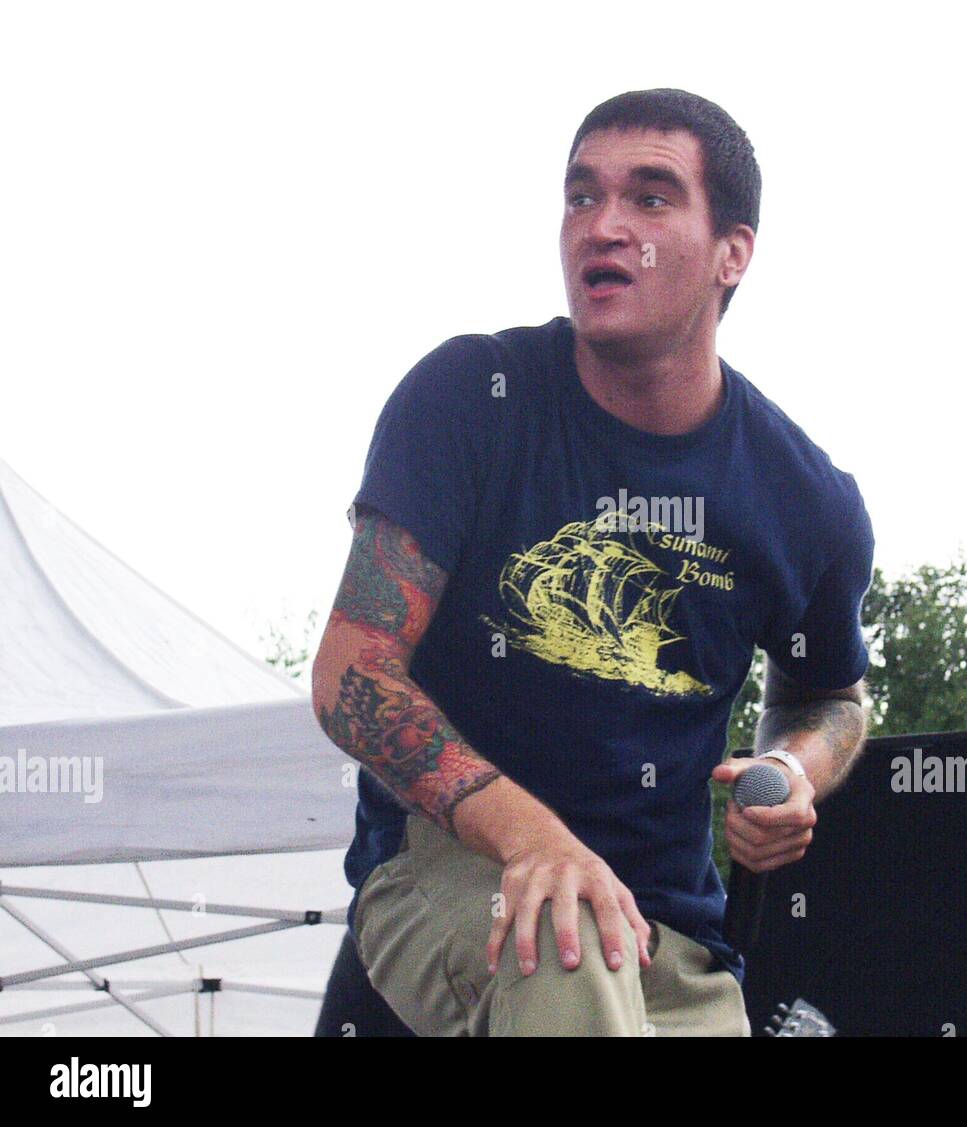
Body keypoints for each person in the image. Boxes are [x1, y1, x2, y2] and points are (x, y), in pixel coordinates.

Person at [311, 88, 875, 1037]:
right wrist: (538, 840)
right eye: (581, 197)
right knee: (563, 934)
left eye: (650, 199)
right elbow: (349, 671)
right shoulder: (471, 399)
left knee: (591, 939)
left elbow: (833, 695)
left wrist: (794, 766)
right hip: (452, 870)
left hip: (673, 938)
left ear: (733, 251)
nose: (602, 227)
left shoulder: (804, 498)